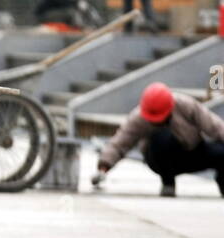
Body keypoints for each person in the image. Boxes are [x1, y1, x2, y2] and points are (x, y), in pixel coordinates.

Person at [93, 82, 224, 197]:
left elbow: (214, 126)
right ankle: (168, 182)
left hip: (193, 151)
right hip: (160, 159)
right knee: (160, 137)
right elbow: (120, 142)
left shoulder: (185, 104)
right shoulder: (138, 117)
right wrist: (103, 167)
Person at [34, 0, 102, 30]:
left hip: (53, 14)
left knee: (72, 12)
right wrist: (77, 3)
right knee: (71, 13)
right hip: (44, 15)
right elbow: (65, 5)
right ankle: (79, 27)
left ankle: (92, 25)